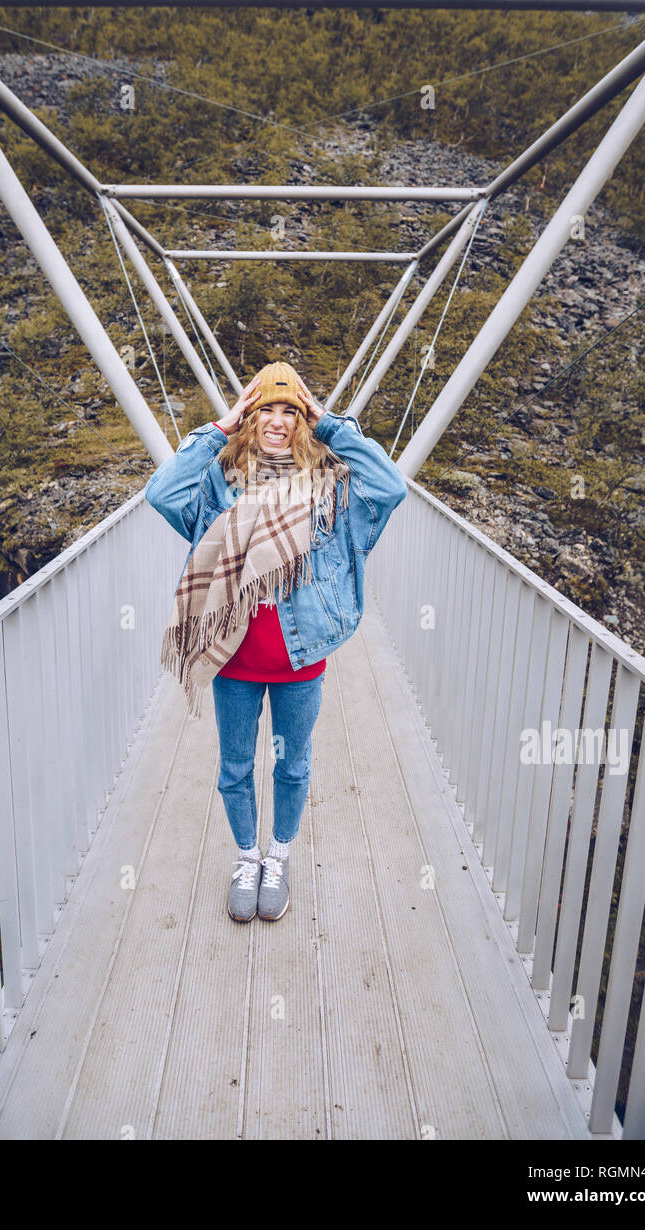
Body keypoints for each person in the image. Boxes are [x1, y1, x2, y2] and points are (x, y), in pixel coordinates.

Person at [144, 360, 407, 924]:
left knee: (291, 764)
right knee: (236, 766)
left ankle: (279, 856)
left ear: (303, 419)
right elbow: (162, 492)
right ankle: (247, 857)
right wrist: (219, 427)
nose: (279, 421)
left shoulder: (332, 488)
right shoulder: (218, 479)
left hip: (301, 656)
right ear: (251, 415)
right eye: (268, 409)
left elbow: (390, 487)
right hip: (234, 657)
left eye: (291, 410)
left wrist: (332, 423)